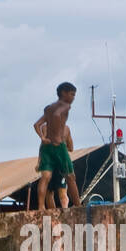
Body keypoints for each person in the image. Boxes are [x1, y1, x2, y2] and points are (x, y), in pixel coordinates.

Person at [33, 82, 76, 210]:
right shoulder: (66, 129)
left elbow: (42, 146)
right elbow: (71, 148)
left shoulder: (46, 129)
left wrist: (39, 160)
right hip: (60, 160)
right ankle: (64, 211)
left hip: (50, 158)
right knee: (61, 190)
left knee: (50, 190)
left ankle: (46, 210)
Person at [43, 126, 81, 209]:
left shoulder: (45, 127)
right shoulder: (66, 129)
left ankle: (54, 215)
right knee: (61, 192)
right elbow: (71, 148)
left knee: (49, 192)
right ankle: (74, 209)